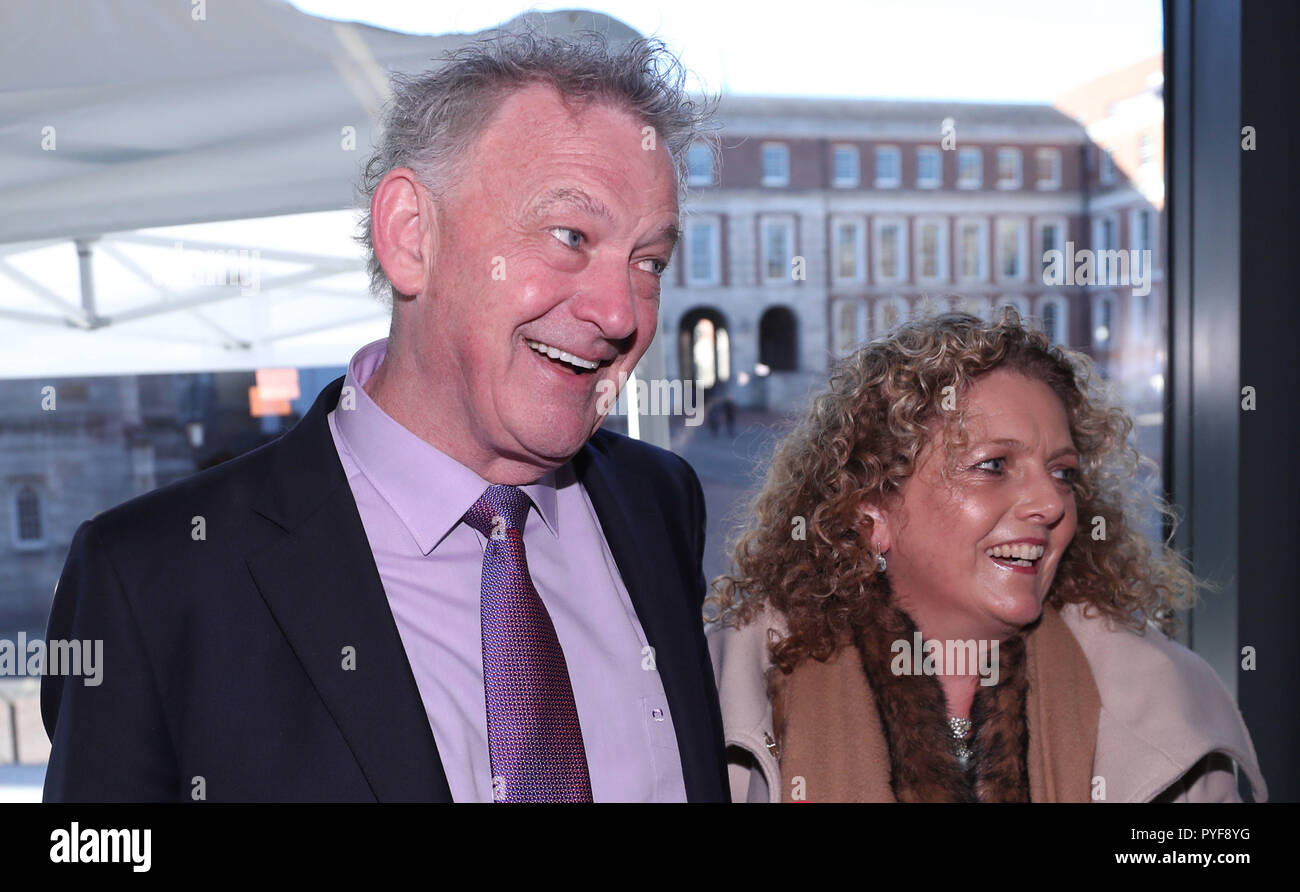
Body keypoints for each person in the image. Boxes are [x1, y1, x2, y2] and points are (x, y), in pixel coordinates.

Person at [41, 31, 729, 802]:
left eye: (650, 262)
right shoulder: (153, 579)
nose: (619, 313)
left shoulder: (659, 502)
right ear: (411, 235)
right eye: (571, 236)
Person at [707, 311, 1267, 802]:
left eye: (1063, 473)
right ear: (871, 513)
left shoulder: (1159, 699)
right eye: (994, 465)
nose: (1051, 503)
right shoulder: (732, 694)